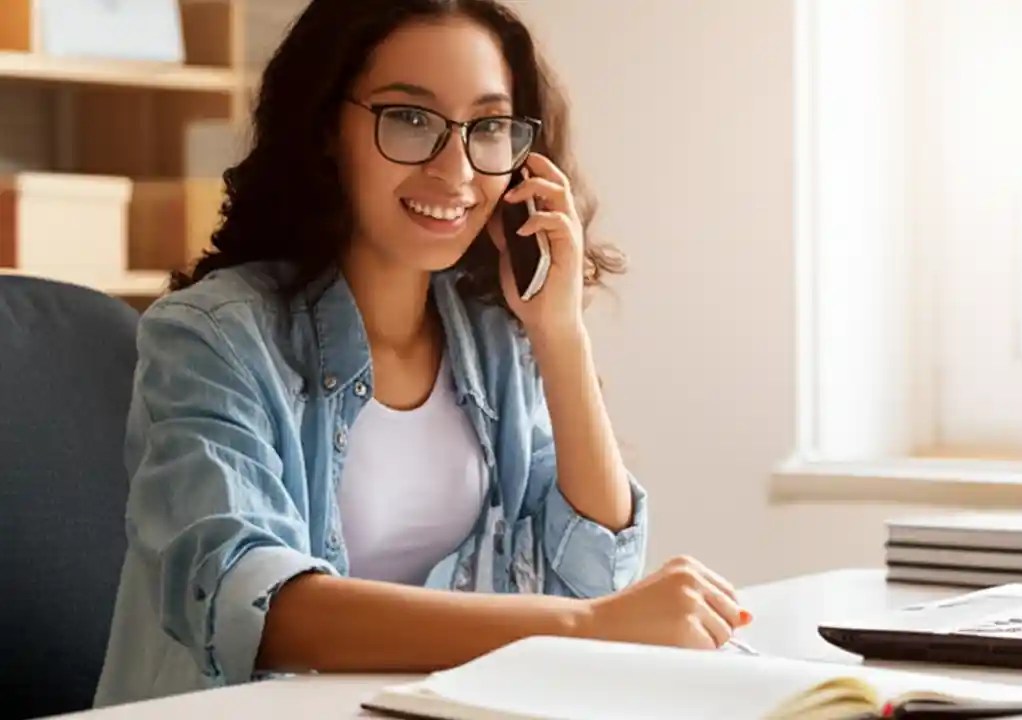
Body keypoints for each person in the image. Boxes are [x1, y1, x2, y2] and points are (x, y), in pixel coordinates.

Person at [94, 0, 748, 707]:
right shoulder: (210, 336)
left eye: (488, 128)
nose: (456, 169)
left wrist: (560, 334)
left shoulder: (490, 337)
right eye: (410, 118)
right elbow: (258, 607)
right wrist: (585, 627)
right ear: (324, 129)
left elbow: (595, 574)